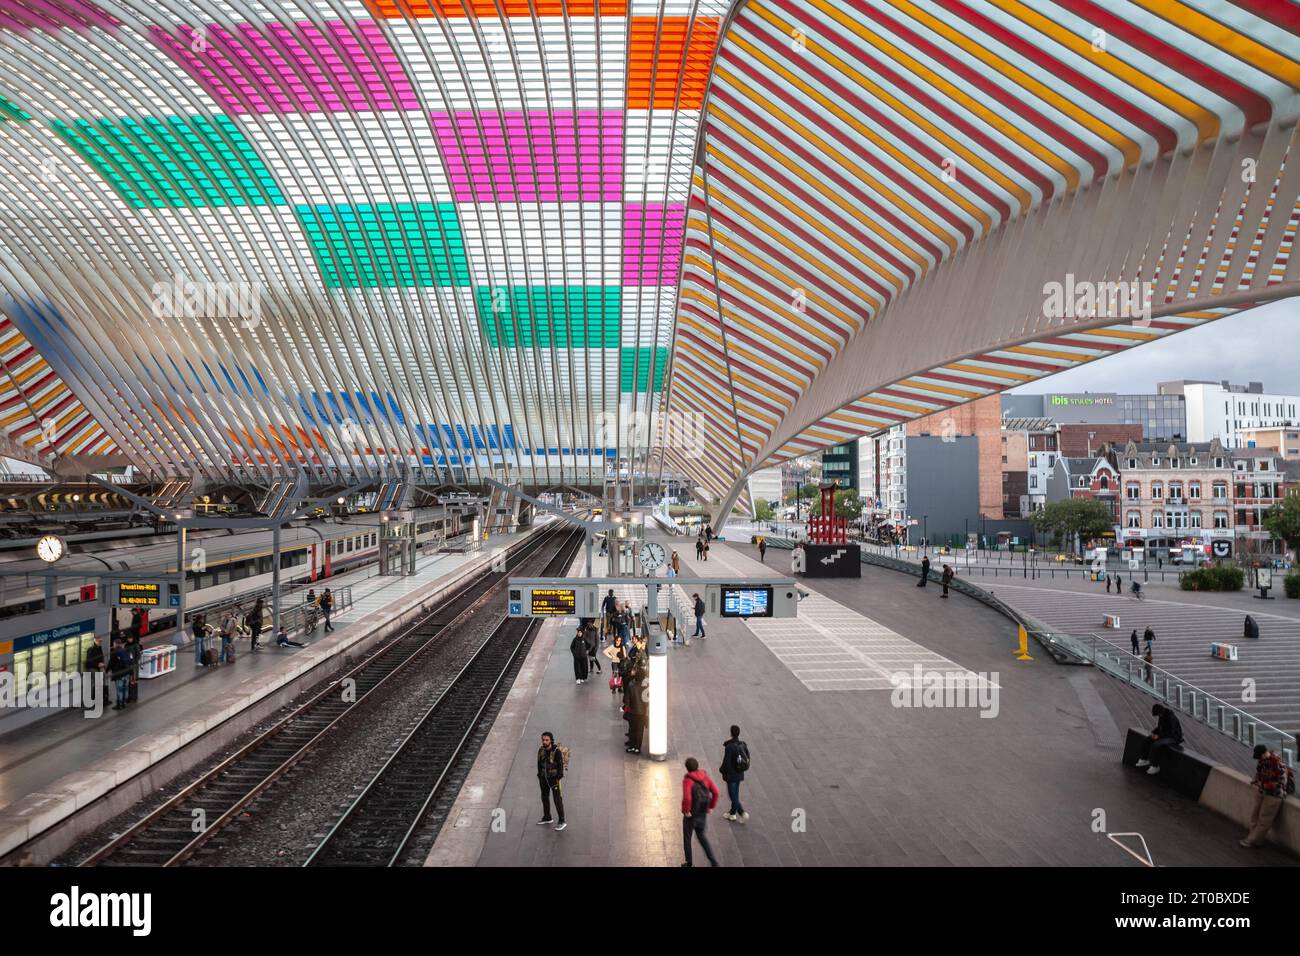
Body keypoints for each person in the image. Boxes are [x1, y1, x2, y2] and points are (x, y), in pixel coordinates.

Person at [1240, 744, 1294, 847]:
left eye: (1259, 756)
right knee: (1254, 817)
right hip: (1262, 792)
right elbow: (1259, 772)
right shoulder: (1262, 761)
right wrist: (1256, 780)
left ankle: (1252, 841)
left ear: (1264, 753)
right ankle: (1254, 838)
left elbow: (1280, 782)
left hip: (1274, 795)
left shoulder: (1277, 763)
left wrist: (1263, 785)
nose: (1258, 759)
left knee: (1264, 820)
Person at [680, 757, 720, 867]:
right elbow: (716, 792)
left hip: (691, 815)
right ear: (697, 766)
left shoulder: (687, 781)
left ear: (687, 768)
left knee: (687, 838)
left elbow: (687, 798)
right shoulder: (705, 778)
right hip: (702, 813)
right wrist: (711, 807)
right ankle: (713, 861)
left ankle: (689, 863)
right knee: (702, 837)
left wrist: (686, 811)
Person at [1134, 703, 1182, 775]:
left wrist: (1159, 736)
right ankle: (1144, 759)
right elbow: (1159, 728)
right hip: (1164, 735)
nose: (1158, 716)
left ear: (1160, 712)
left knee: (1156, 745)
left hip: (1174, 738)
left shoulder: (1172, 718)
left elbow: (1171, 733)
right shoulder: (1162, 716)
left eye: (1158, 715)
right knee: (1147, 739)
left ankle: (1155, 766)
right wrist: (1153, 732)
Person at [719, 725, 751, 823]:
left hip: (732, 775)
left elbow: (727, 762)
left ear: (731, 733)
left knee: (732, 795)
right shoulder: (742, 744)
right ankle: (732, 814)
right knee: (735, 794)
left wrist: (721, 770)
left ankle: (742, 812)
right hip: (739, 773)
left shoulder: (730, 747)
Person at [536, 733, 567, 831]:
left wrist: (558, 777)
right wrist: (539, 775)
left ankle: (562, 821)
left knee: (557, 800)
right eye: (543, 740)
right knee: (544, 798)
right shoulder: (541, 750)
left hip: (554, 779)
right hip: (543, 778)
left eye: (546, 740)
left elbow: (561, 766)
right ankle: (547, 817)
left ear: (551, 740)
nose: (544, 742)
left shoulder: (556, 752)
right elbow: (539, 763)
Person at [108, 638, 132, 711]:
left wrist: (107, 670)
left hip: (119, 674)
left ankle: (119, 704)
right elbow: (130, 661)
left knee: (119, 690)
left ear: (115, 644)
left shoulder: (114, 652)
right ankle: (124, 703)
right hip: (126, 673)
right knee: (125, 689)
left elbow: (111, 663)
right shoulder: (126, 651)